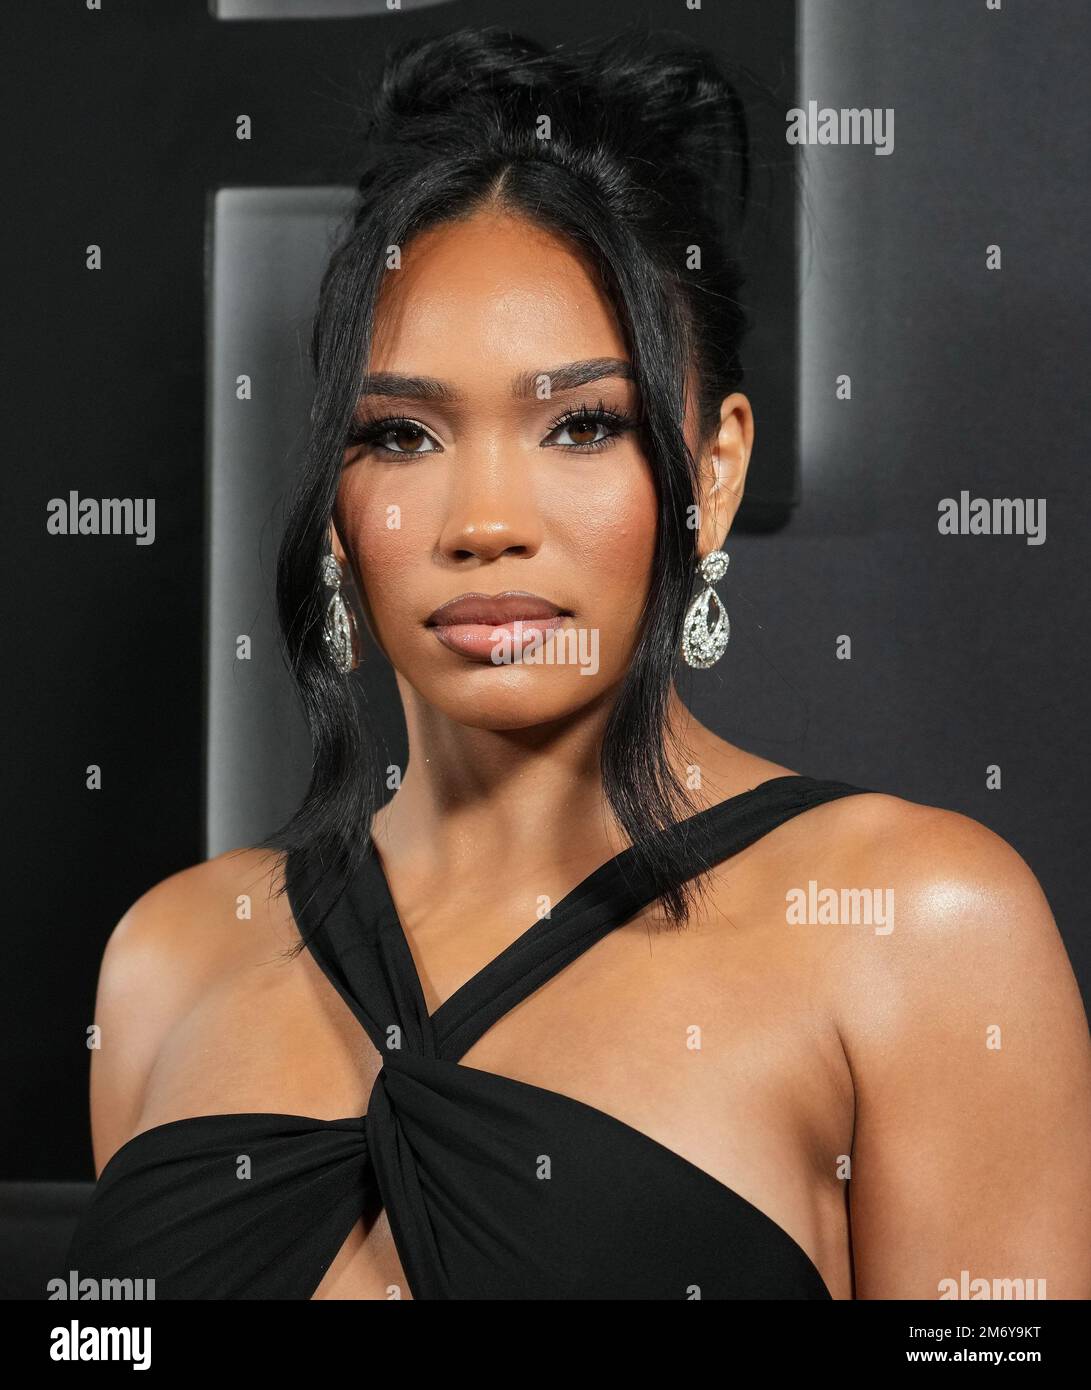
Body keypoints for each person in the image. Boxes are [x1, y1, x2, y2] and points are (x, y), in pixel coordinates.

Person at [65, 27, 1091, 1300]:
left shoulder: (921, 931)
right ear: (332, 489)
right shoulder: (171, 959)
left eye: (580, 424)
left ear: (710, 472)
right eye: (400, 434)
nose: (484, 519)